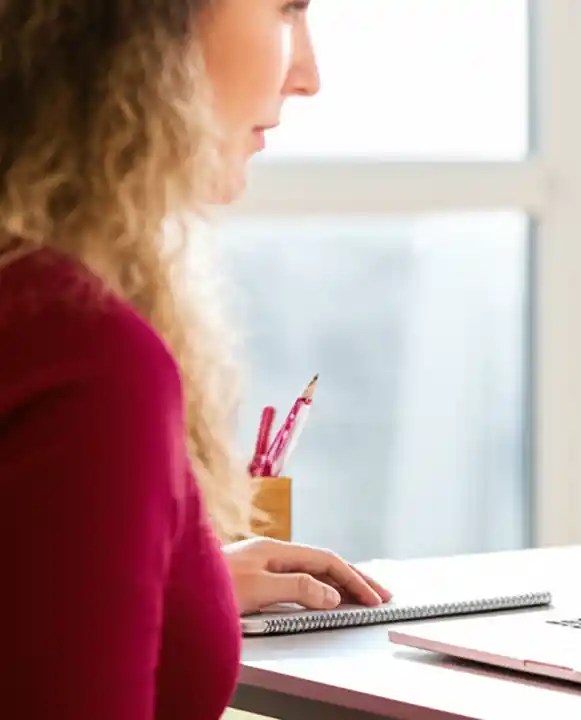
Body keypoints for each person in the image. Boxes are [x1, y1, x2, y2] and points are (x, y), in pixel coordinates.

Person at [0, 1, 390, 717]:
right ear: (140, 25)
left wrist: (175, 577)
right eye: (285, 11)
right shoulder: (81, 354)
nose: (307, 76)